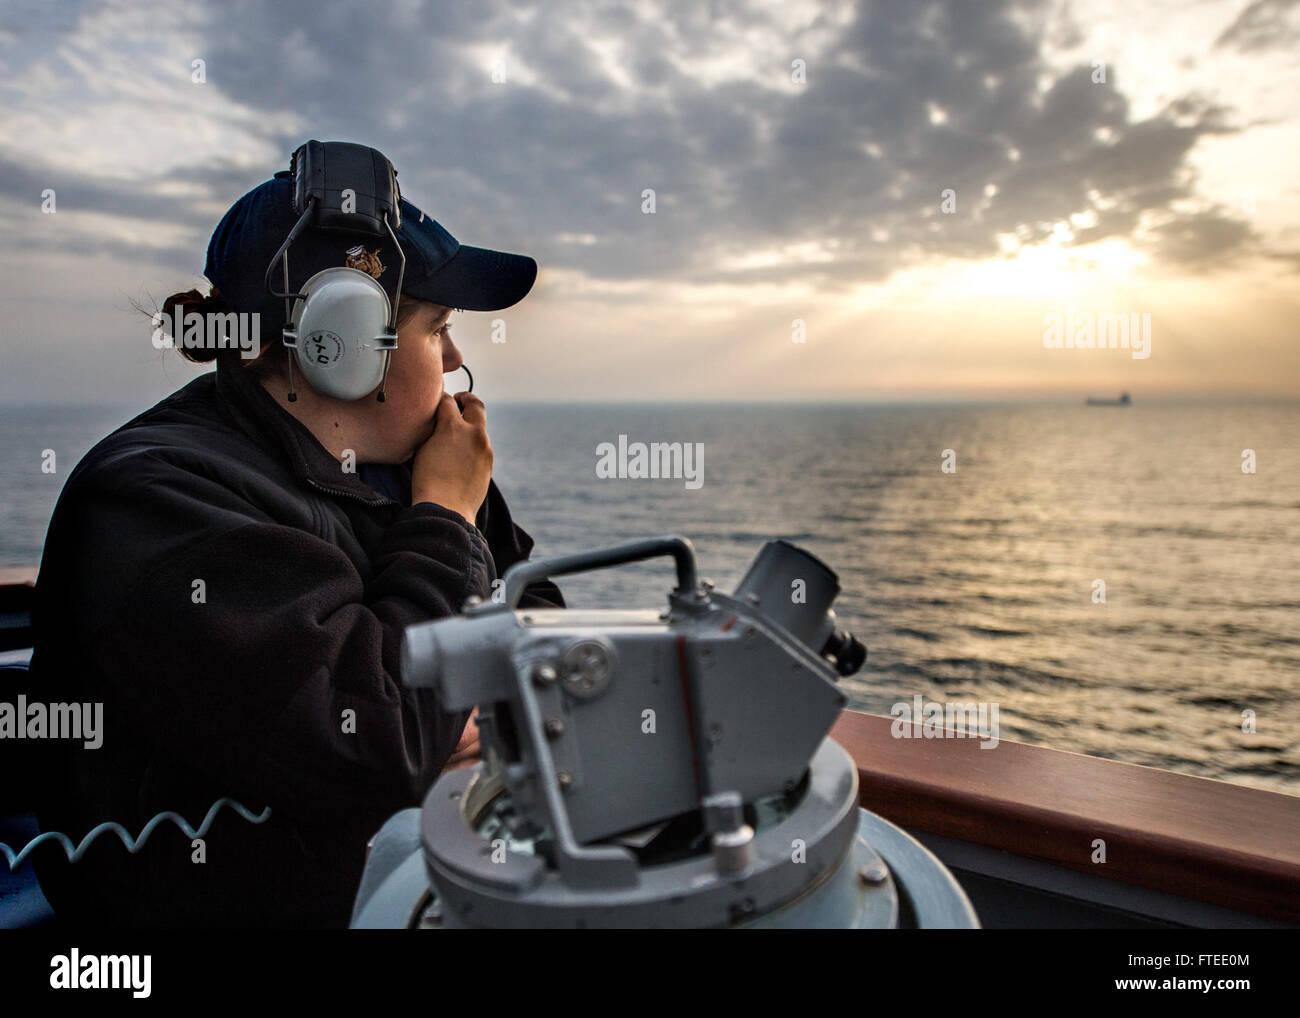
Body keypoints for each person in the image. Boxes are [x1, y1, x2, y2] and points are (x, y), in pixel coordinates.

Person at [28, 144, 564, 928]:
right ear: (341, 345)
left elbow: (539, 612)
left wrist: (477, 701)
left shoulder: (411, 462)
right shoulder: (156, 502)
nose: (455, 363)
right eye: (439, 328)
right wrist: (445, 518)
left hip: (415, 866)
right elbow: (383, 742)